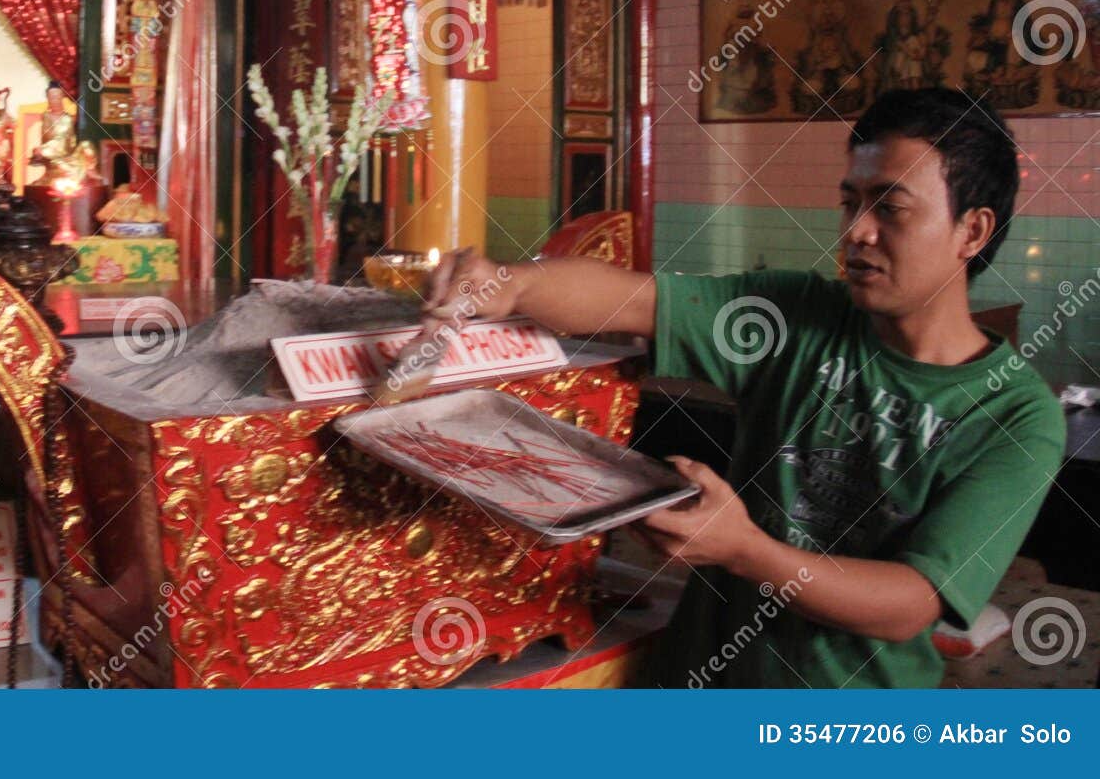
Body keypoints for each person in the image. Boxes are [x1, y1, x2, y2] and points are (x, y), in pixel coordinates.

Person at [422, 88, 1063, 688]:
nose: (857, 232)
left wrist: (744, 550)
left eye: (889, 207)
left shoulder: (1017, 415)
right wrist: (510, 283)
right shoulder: (797, 316)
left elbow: (909, 605)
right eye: (850, 202)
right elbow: (632, 301)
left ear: (972, 232)